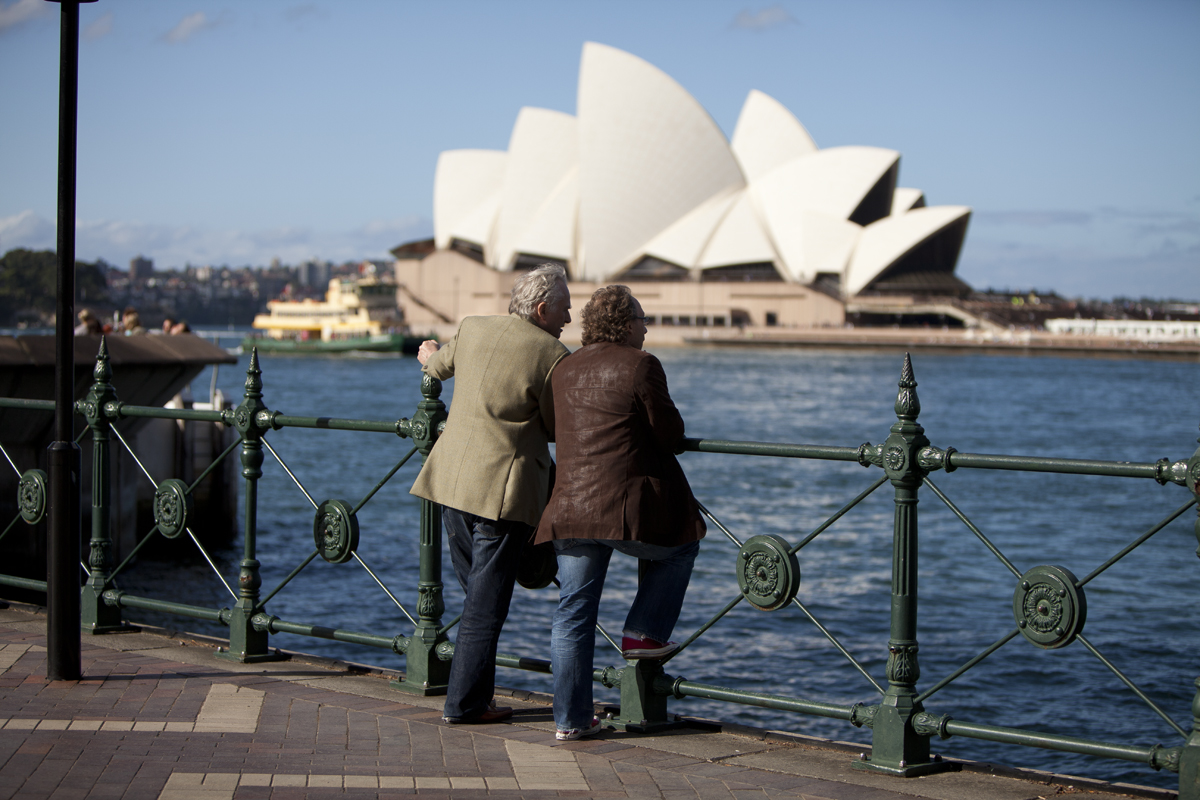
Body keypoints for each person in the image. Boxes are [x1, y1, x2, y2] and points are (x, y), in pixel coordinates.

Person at [534, 284, 705, 741]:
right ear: (626, 324)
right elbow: (670, 435)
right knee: (683, 545)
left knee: (573, 611)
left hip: (569, 508)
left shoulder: (565, 367)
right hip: (621, 512)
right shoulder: (641, 365)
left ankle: (569, 721)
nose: (647, 327)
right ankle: (643, 632)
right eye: (643, 319)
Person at [410, 262, 572, 725]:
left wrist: (429, 354)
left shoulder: (474, 327)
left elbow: (437, 367)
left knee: (475, 598)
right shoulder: (553, 355)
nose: (568, 315)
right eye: (564, 307)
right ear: (542, 308)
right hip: (502, 493)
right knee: (486, 604)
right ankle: (463, 705)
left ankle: (476, 698)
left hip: (450, 482)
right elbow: (556, 426)